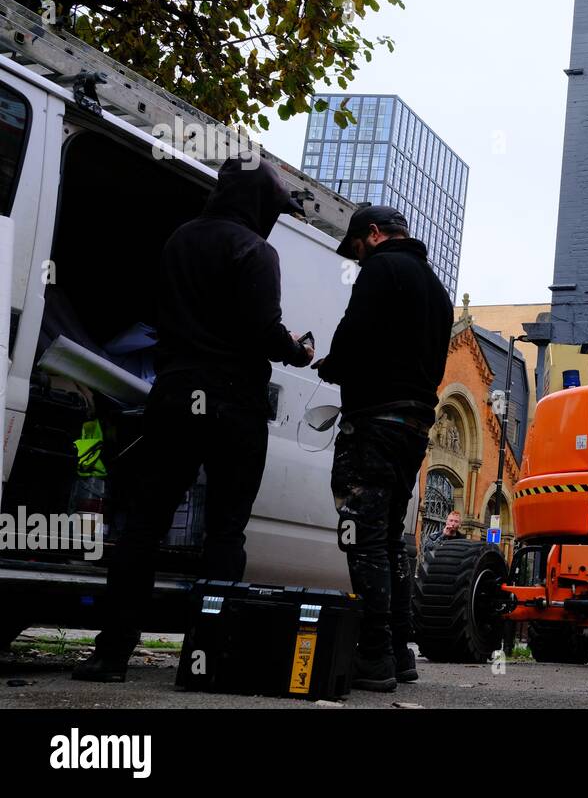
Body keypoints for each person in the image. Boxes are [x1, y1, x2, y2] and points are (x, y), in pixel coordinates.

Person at [74, 158, 314, 681]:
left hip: (175, 392)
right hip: (233, 402)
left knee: (143, 525)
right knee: (225, 531)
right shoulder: (256, 251)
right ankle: (209, 656)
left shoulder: (181, 238)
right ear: (259, 205)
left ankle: (110, 653)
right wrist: (296, 351)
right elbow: (261, 330)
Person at [314, 205, 454, 691]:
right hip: (413, 426)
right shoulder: (437, 290)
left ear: (372, 235)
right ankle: (397, 651)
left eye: (355, 249)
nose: (356, 260)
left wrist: (332, 365)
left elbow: (354, 337)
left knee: (363, 536)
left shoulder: (381, 269)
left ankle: (373, 655)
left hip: (373, 422)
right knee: (391, 538)